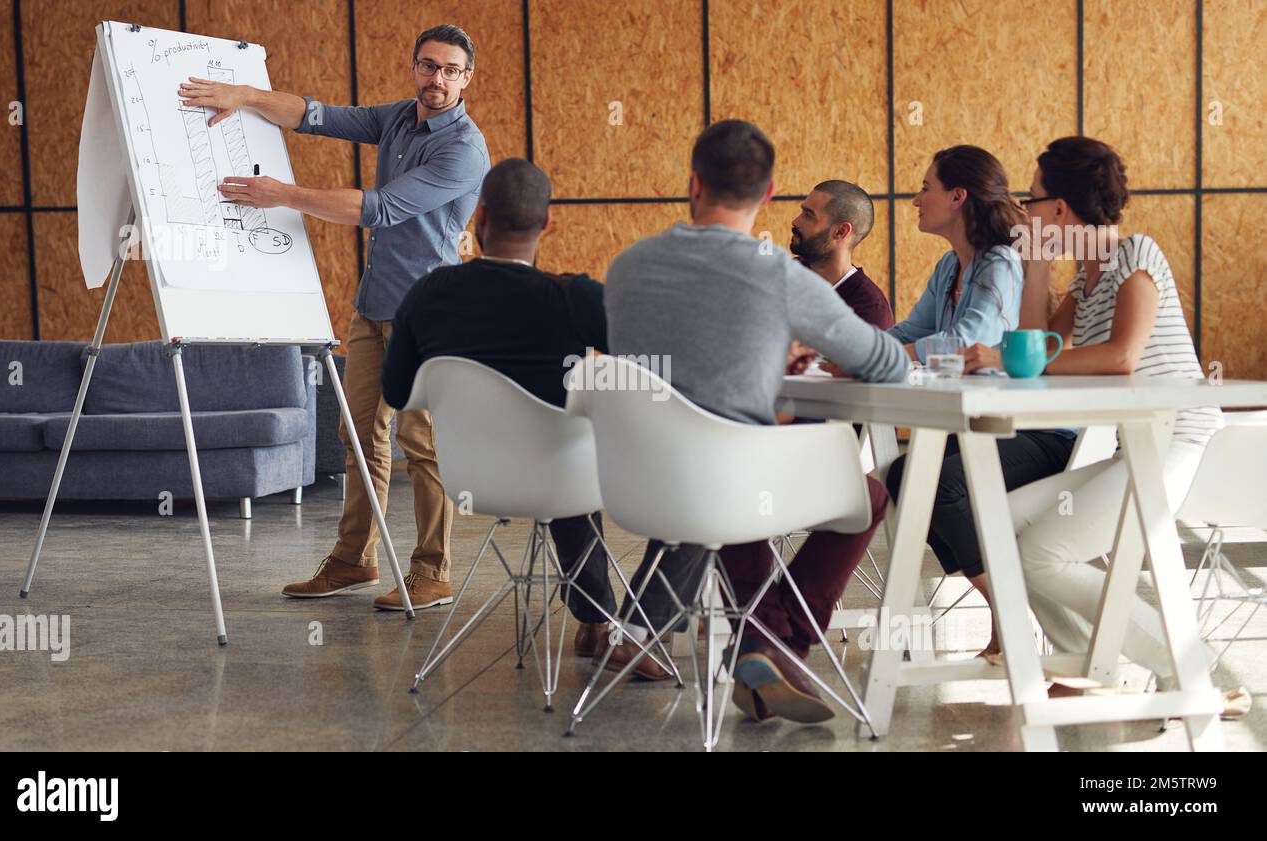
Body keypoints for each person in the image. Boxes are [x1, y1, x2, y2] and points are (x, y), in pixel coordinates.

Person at [602, 119, 909, 721]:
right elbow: (885, 361)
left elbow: (684, 363)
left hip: (637, 481)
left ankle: (751, 643)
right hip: (732, 486)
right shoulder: (780, 274)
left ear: (693, 184)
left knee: (738, 474)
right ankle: (770, 640)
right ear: (768, 196)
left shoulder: (628, 265)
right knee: (865, 496)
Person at [182, 24, 491, 610]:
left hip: (426, 314)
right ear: (415, 66)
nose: (438, 79)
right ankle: (354, 560)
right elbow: (316, 115)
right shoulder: (400, 117)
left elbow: (381, 208)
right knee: (359, 437)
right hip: (373, 305)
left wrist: (285, 194)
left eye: (451, 70)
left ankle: (432, 571)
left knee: (420, 441)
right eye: (429, 66)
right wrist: (244, 95)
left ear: (466, 78)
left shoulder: (464, 149)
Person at [966, 136, 1222, 691]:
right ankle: (1087, 658)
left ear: (1058, 209)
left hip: (1180, 441)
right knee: (994, 523)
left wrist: (1031, 362)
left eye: (1031, 200)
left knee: (1040, 555)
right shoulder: (1086, 279)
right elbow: (1032, 352)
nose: (1024, 211)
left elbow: (1121, 357)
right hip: (1136, 445)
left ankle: (1195, 671)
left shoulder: (1136, 253)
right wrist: (1035, 266)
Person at [379, 158, 618, 655]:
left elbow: (398, 394)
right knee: (570, 453)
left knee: (563, 456)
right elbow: (641, 359)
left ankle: (597, 619)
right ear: (547, 223)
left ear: (480, 219)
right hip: (564, 478)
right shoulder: (574, 297)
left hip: (473, 480)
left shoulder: (426, 295)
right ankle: (600, 621)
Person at [880, 145, 1077, 657]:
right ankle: (1005, 614)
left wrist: (881, 355)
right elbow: (911, 332)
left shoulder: (1003, 264)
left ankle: (1012, 612)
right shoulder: (950, 269)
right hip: (989, 428)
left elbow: (970, 342)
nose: (916, 197)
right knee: (904, 477)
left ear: (958, 196)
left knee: (939, 487)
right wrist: (851, 349)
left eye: (926, 187)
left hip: (1042, 434)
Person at [786, 179, 893, 374]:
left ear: (840, 231)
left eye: (808, 215)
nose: (795, 221)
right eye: (802, 211)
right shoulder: (785, 276)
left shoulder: (870, 310)